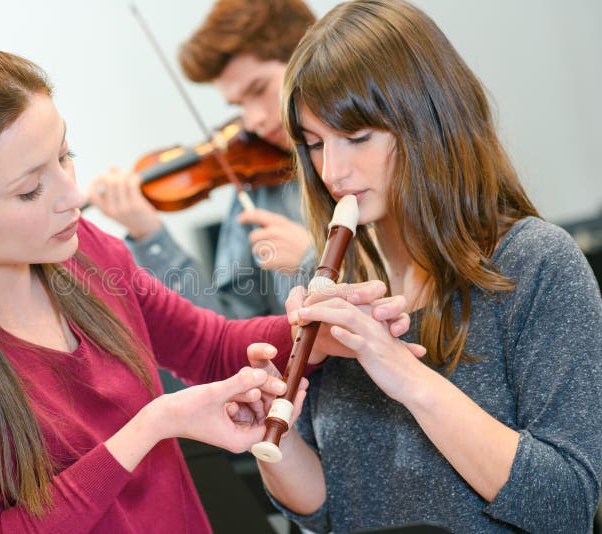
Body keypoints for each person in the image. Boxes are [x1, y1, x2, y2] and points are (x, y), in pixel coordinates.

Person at [0, 46, 415, 533]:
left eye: (64, 156)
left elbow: (208, 346)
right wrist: (154, 424)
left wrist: (311, 337)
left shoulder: (80, 248)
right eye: (30, 190)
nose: (71, 196)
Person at [247, 1, 602, 533]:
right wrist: (273, 432)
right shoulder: (324, 283)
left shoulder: (538, 264)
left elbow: (565, 506)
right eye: (315, 144)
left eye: (358, 137)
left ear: (428, 120)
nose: (333, 171)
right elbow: (326, 512)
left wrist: (405, 374)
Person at [88, 0, 317, 319]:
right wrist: (149, 234)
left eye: (259, 88)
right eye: (238, 104)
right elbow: (228, 328)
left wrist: (311, 261)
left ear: (311, 58)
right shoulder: (257, 188)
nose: (252, 121)